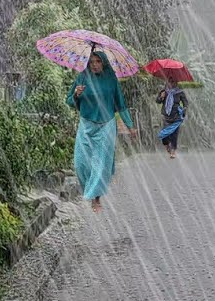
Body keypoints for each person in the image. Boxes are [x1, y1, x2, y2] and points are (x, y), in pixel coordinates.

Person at [67, 50, 138, 213]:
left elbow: (120, 104)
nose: (95, 65)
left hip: (106, 125)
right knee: (80, 162)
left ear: (104, 63)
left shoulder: (111, 79)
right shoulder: (82, 77)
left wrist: (130, 125)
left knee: (100, 162)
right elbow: (70, 101)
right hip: (86, 124)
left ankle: (96, 198)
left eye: (98, 61)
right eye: (92, 62)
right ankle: (90, 190)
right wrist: (76, 95)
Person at [155, 78, 188, 158]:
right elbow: (157, 101)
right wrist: (161, 97)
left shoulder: (180, 92)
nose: (171, 83)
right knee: (164, 134)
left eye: (173, 81)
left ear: (176, 82)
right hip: (166, 116)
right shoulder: (163, 92)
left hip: (176, 116)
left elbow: (185, 103)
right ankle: (167, 146)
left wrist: (183, 110)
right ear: (167, 82)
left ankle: (173, 150)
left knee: (174, 134)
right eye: (170, 81)